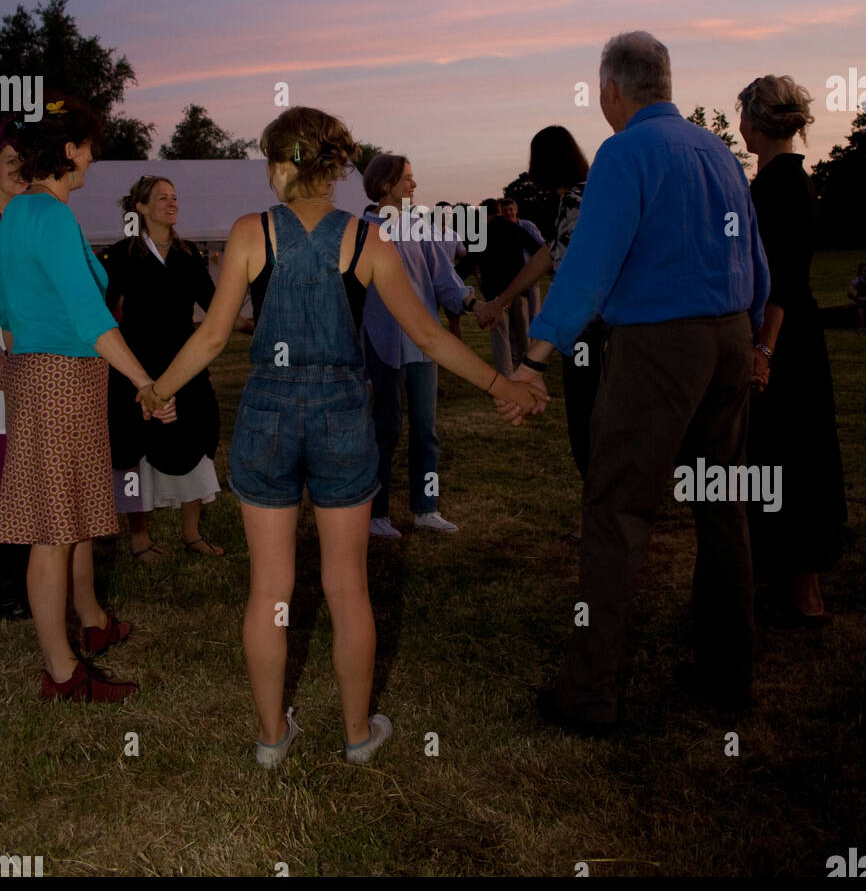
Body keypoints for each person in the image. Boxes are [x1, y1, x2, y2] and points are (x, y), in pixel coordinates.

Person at [136, 107, 546, 768]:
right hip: (342, 416)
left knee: (269, 590)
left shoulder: (248, 233)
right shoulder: (367, 240)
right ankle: (357, 735)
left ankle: (272, 738)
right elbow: (430, 334)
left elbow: (212, 337)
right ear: (336, 168)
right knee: (347, 587)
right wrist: (504, 387)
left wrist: (158, 389)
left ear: (278, 166)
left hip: (267, 416)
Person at [502, 32, 770, 734]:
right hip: (731, 337)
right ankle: (728, 671)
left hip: (660, 345)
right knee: (722, 503)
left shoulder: (625, 152)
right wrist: (756, 340)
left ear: (611, 92)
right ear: (667, 83)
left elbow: (589, 261)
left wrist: (534, 357)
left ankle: (590, 691)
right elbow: (754, 251)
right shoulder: (716, 151)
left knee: (618, 510)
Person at [0, 97, 175, 703]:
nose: (95, 157)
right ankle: (61, 672)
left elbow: (8, 316)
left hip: (40, 374)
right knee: (53, 528)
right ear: (69, 152)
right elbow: (89, 317)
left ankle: (92, 623)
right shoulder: (48, 216)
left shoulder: (16, 214)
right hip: (59, 377)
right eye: (91, 146)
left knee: (69, 515)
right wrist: (145, 383)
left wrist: (17, 369)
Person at [738, 76, 847, 624]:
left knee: (788, 453)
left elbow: (779, 281)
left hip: (783, 338)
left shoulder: (774, 188)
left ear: (753, 123)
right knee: (795, 452)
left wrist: (763, 351)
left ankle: (801, 590)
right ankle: (793, 584)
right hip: (797, 333)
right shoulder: (793, 180)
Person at [106, 176, 238, 562]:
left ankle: (192, 533)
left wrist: (245, 318)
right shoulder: (121, 254)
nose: (172, 202)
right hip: (136, 369)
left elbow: (214, 305)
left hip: (186, 365)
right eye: (162, 198)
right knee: (134, 452)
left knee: (198, 440)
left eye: (175, 197)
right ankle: (140, 538)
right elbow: (103, 311)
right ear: (141, 208)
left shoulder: (189, 254)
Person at [361, 156, 489, 538]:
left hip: (423, 346)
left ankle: (426, 509)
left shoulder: (420, 227)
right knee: (384, 430)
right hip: (382, 344)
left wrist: (474, 304)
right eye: (407, 179)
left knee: (426, 431)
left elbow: (444, 279)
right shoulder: (360, 230)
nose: (414, 186)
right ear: (385, 184)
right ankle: (375, 514)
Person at [479, 127, 600, 500]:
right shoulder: (588, 194)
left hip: (590, 329)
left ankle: (599, 512)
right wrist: (502, 300)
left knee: (587, 422)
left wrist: (537, 355)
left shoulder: (576, 200)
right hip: (603, 327)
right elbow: (547, 254)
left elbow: (571, 277)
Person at [0, 117, 29, 619]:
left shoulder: (29, 221)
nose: (20, 170)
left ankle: (19, 583)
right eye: (9, 163)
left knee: (18, 476)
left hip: (26, 367)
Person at [471, 199, 542, 376]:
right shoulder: (516, 229)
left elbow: (468, 262)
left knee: (501, 338)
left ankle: (506, 377)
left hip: (495, 295)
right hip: (518, 291)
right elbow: (538, 250)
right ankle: (526, 373)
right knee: (523, 335)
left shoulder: (481, 233)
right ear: (500, 211)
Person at [500, 197, 544, 324]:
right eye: (505, 210)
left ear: (516, 210)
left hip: (531, 274)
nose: (508, 213)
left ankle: (535, 341)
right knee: (518, 316)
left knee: (534, 313)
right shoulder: (502, 230)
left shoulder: (528, 226)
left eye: (510, 209)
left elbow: (540, 246)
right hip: (513, 278)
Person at [434, 201, 466, 339]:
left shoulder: (454, 235)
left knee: (454, 319)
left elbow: (463, 254)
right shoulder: (425, 233)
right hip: (431, 280)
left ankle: (457, 353)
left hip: (450, 281)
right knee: (431, 319)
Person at [848, 262, 866, 328]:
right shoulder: (858, 279)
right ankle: (862, 323)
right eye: (864, 271)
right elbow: (851, 287)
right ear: (861, 272)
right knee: (861, 306)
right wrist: (856, 296)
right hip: (860, 298)